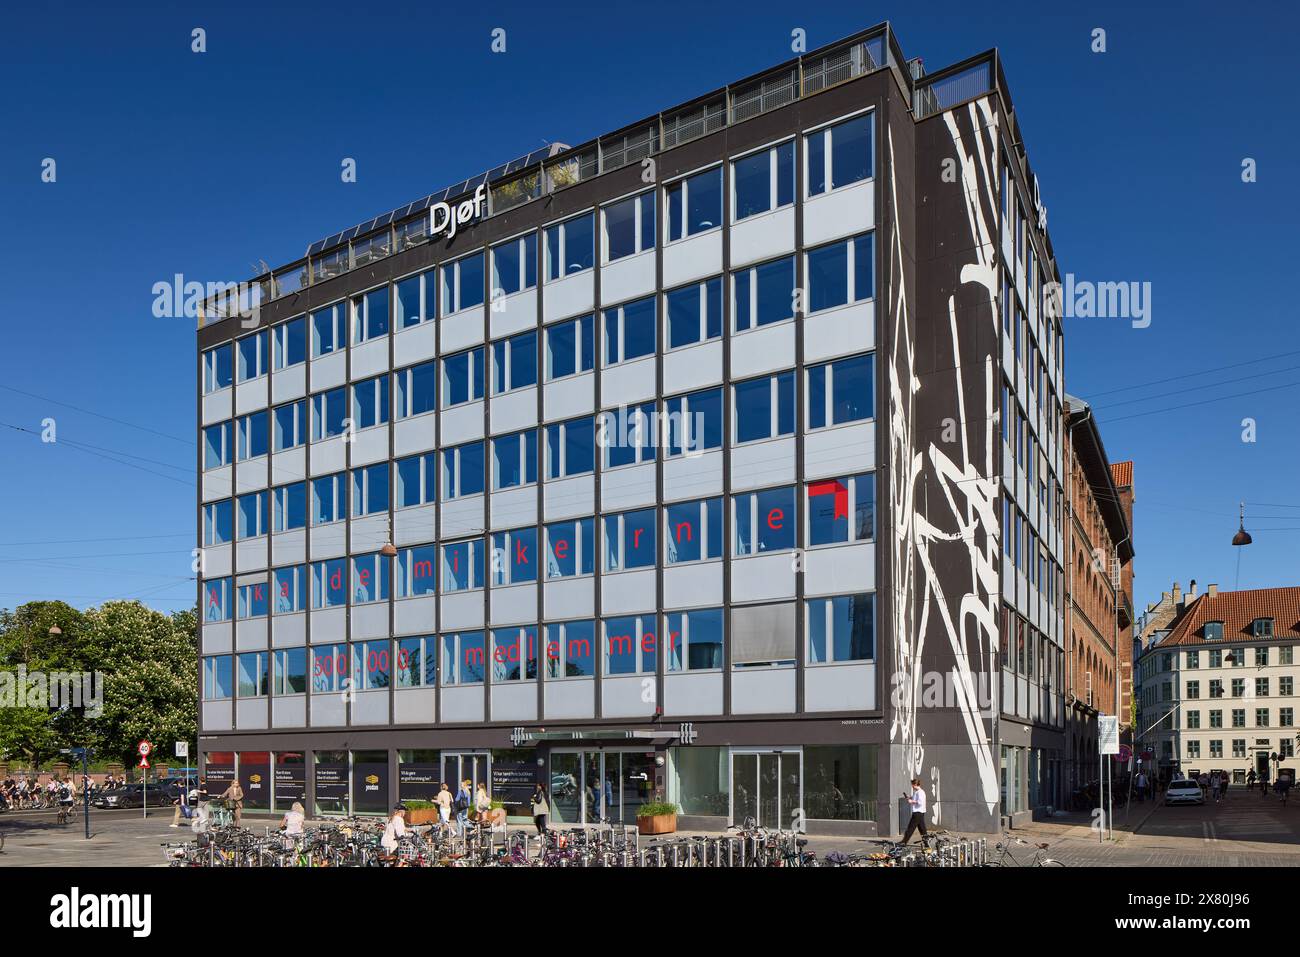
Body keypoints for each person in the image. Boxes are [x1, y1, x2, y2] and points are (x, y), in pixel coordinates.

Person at [901, 777, 929, 846]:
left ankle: (904, 842)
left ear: (915, 784)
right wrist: (909, 797)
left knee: (910, 828)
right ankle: (926, 843)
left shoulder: (920, 792)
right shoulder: (917, 792)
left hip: (917, 813)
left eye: (912, 785)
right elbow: (916, 799)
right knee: (922, 829)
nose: (912, 786)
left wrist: (911, 801)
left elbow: (920, 802)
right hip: (920, 813)